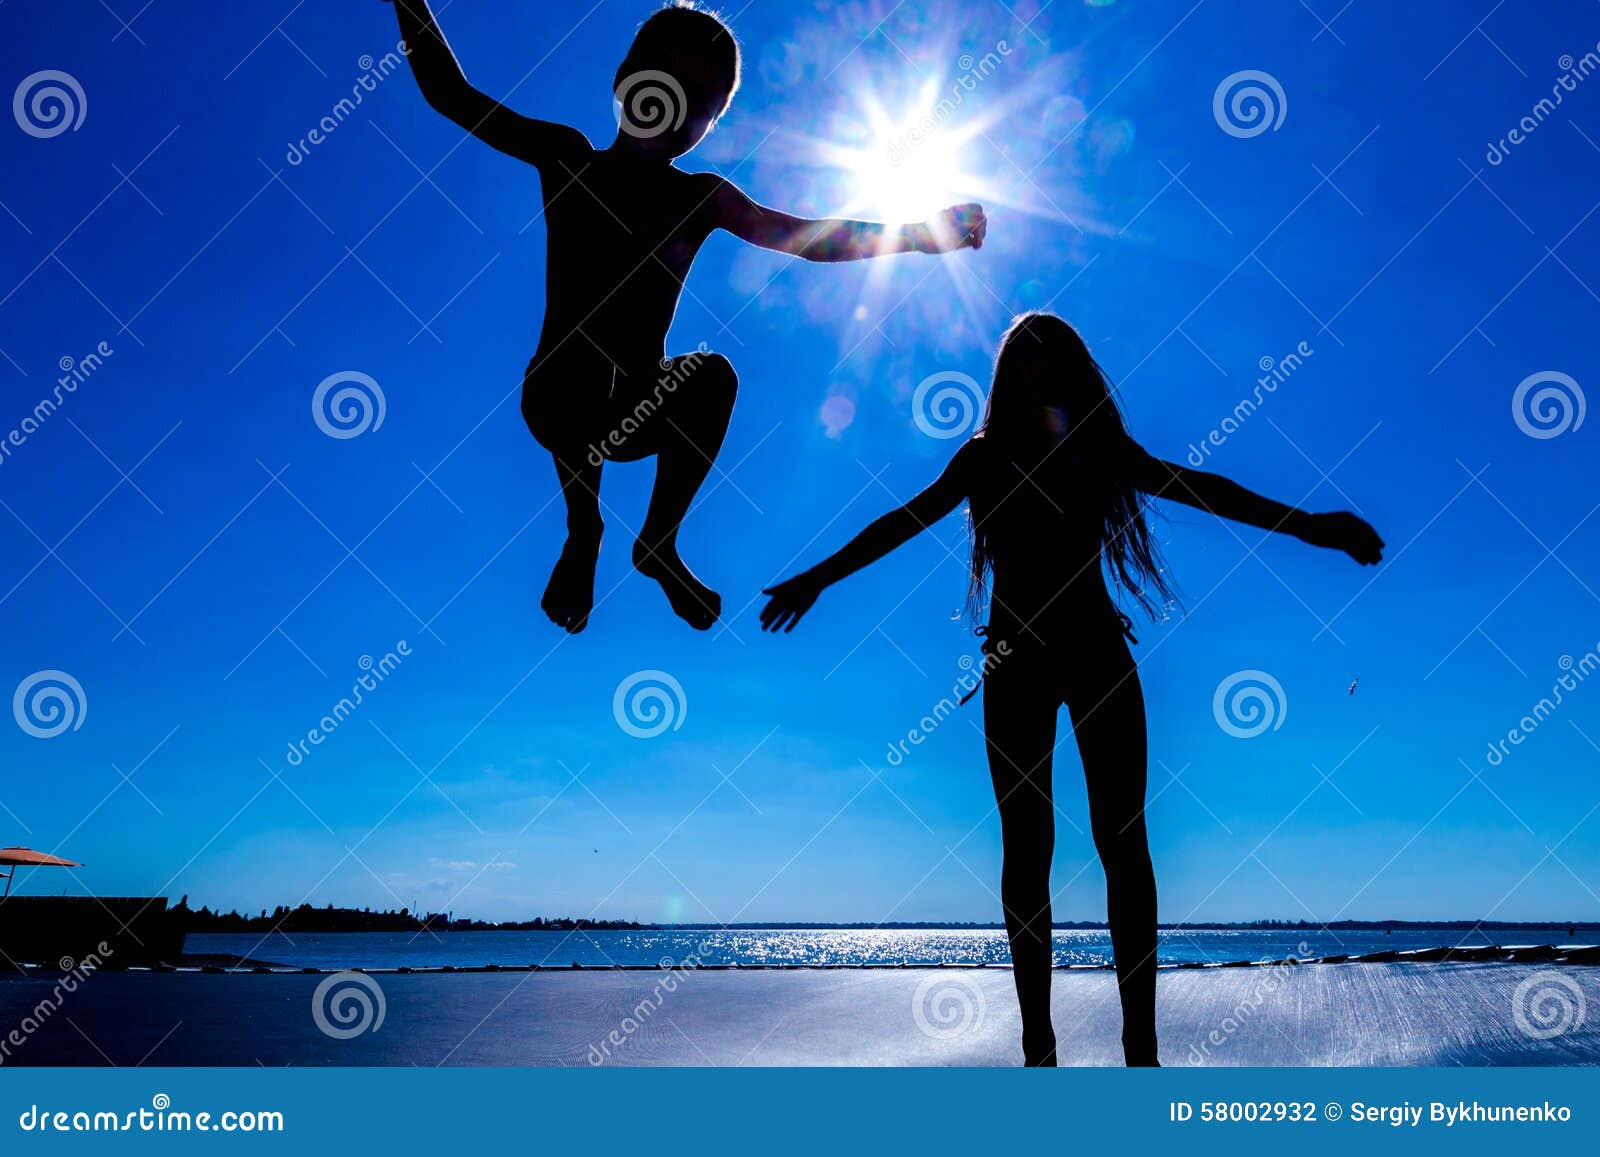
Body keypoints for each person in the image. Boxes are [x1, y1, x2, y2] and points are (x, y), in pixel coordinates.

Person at [760, 312, 1384, 1066]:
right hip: (1015, 665)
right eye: (1023, 355)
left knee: (1124, 843)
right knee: (1028, 851)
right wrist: (817, 578)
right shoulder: (982, 459)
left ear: (1072, 365)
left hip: (1096, 654)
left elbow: (1200, 486)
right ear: (1007, 373)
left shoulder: (1098, 446)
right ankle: (1038, 1044)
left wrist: (1308, 524)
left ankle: (1140, 1046)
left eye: (1050, 354)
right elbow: (903, 520)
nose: (1037, 367)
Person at [385, 0, 987, 632]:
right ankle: (584, 525)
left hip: (636, 408)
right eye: (669, 86)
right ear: (627, 82)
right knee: (591, 350)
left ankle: (657, 542)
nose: (679, 112)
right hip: (558, 396)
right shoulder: (567, 159)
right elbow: (449, 92)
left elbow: (806, 238)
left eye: (702, 104)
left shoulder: (698, 197)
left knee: (713, 375)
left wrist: (924, 234)